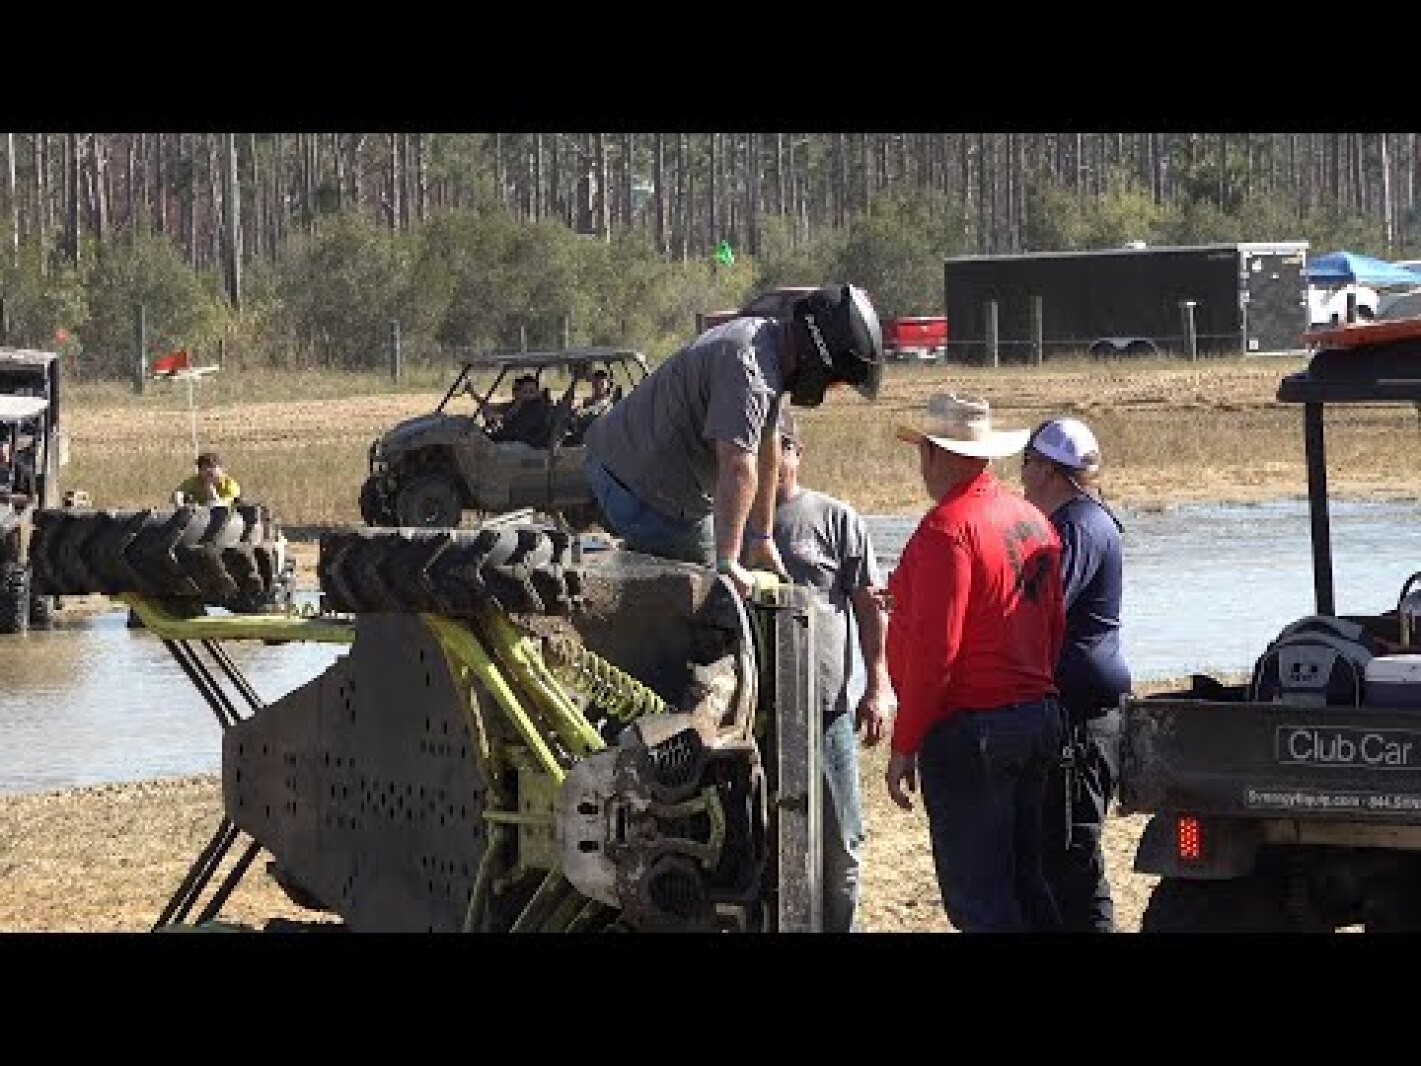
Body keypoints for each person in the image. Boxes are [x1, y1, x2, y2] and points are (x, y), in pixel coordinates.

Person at [882, 392, 1066, 933]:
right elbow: (1052, 627)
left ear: (938, 455)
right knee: (1027, 882)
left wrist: (904, 743)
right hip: (1035, 716)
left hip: (973, 728)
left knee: (979, 901)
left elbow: (937, 653)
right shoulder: (1032, 520)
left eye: (923, 451)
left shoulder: (946, 529)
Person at [582, 283, 885, 599]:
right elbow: (739, 466)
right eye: (835, 381)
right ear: (819, 355)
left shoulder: (768, 346)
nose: (830, 389)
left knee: (715, 559)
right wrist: (727, 563)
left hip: (639, 468)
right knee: (701, 601)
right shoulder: (750, 369)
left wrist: (762, 537)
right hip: (632, 484)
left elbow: (766, 445)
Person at [772, 408, 891, 933]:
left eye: (775, 446)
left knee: (841, 840)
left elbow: (870, 605)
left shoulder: (834, 518)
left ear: (796, 451)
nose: (764, 459)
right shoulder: (726, 528)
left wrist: (878, 684)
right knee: (769, 840)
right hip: (756, 716)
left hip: (826, 710)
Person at [1020, 416, 1130, 933]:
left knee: (1071, 857)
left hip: (1081, 723)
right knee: (1059, 853)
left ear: (1046, 470)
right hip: (1082, 713)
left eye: (1027, 466)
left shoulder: (1077, 527)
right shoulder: (1087, 519)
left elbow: (1044, 609)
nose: (1021, 479)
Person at [488, 374, 553, 447]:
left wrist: (495, 436)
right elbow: (497, 409)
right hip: (520, 440)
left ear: (538, 392)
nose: (528, 395)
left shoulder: (537, 407)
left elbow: (519, 431)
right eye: (525, 392)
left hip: (530, 444)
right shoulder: (520, 404)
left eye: (531, 392)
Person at [174, 451, 241, 507]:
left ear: (221, 469)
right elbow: (178, 493)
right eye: (204, 468)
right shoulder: (195, 480)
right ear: (199, 471)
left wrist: (209, 486)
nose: (208, 470)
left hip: (226, 513)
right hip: (202, 513)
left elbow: (218, 505)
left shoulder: (230, 485)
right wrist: (179, 503)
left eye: (212, 467)